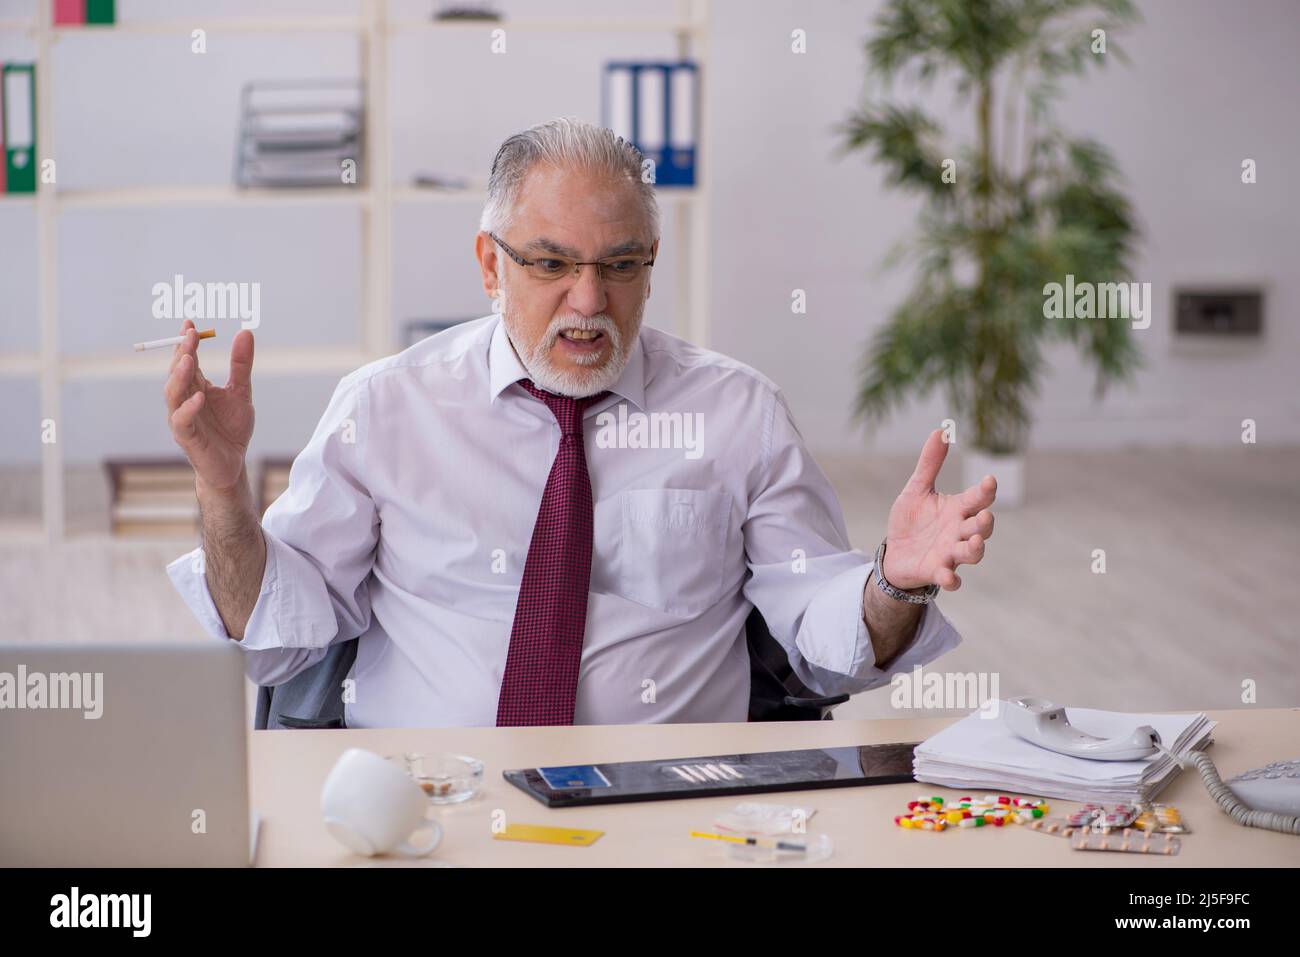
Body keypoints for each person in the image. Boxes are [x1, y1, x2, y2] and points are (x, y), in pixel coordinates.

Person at [164, 117, 997, 727]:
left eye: (620, 265)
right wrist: (223, 488)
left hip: (669, 805)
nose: (590, 299)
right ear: (491, 263)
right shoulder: (386, 408)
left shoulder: (737, 413)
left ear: (649, 266)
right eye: (553, 264)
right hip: (432, 799)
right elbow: (273, 637)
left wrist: (893, 580)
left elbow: (822, 641)